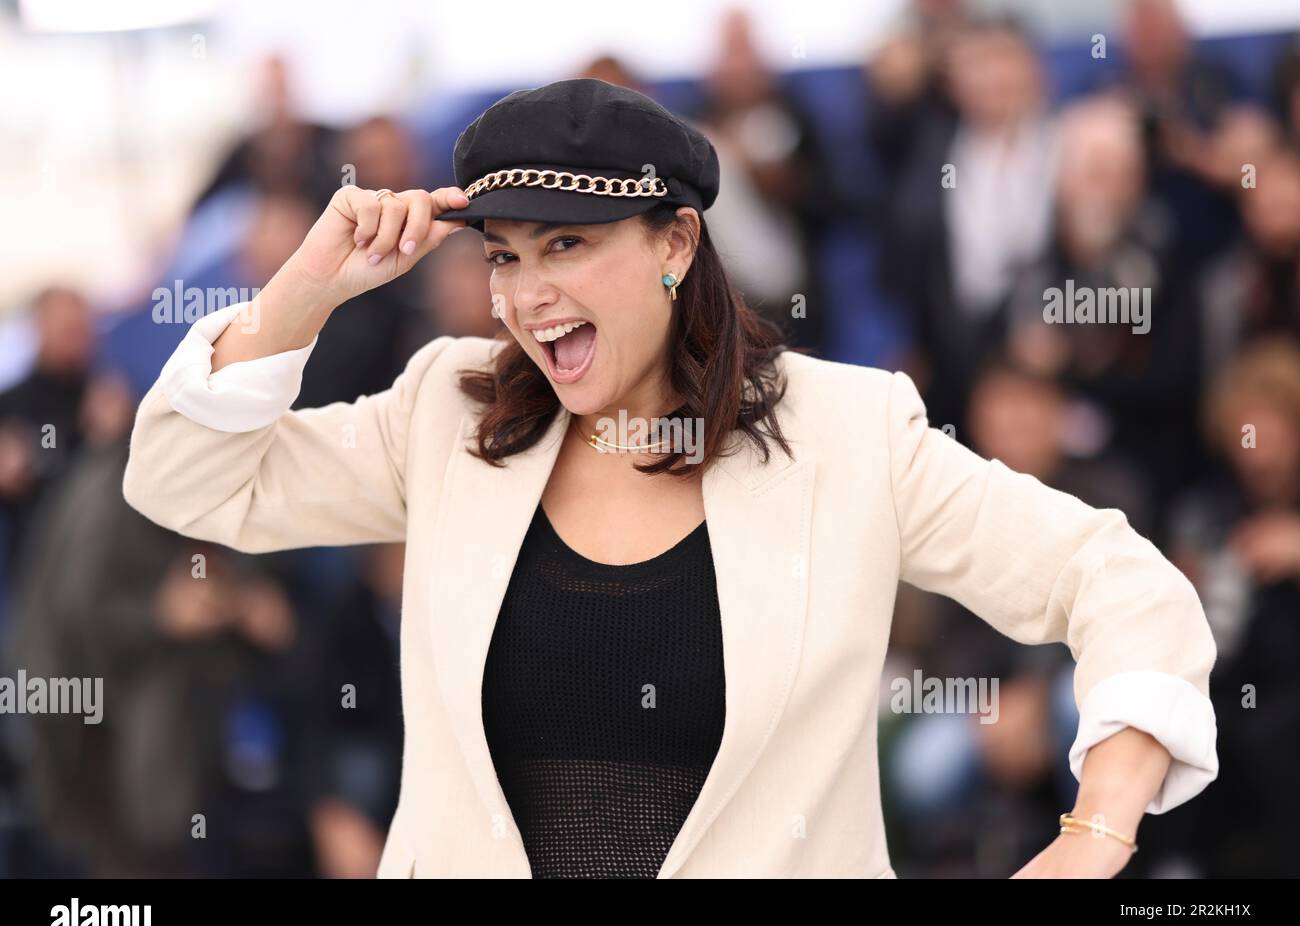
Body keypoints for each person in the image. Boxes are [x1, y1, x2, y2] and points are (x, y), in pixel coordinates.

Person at [122, 77, 1217, 879]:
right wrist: (302, 294)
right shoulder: (446, 411)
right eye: (503, 254)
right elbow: (187, 484)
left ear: (676, 243)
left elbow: (1118, 579)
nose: (527, 295)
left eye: (566, 246)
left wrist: (1093, 834)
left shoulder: (847, 430)